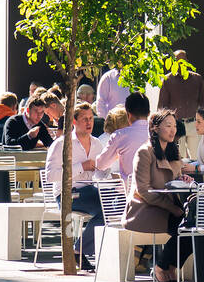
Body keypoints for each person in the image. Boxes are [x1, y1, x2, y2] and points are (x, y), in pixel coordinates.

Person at [124, 108, 192, 282]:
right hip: (145, 208)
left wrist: (183, 179)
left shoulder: (172, 150)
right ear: (155, 128)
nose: (172, 130)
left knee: (195, 225)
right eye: (168, 125)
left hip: (167, 207)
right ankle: (162, 266)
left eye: (174, 126)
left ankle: (167, 267)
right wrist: (173, 208)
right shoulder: (144, 152)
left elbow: (173, 180)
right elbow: (144, 191)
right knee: (186, 227)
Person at [42, 104, 107, 271]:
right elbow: (51, 176)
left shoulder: (97, 143)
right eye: (84, 119)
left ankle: (84, 249)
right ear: (74, 121)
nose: (89, 122)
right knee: (106, 209)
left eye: (91, 118)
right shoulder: (62, 144)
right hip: (67, 193)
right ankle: (79, 249)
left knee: (114, 205)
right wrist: (81, 167)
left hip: (90, 190)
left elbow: (101, 174)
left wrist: (104, 173)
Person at [157, 50, 204, 155]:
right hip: (176, 125)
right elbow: (162, 106)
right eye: (177, 61)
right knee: (178, 156)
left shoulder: (197, 79)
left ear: (187, 61)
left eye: (183, 61)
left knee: (197, 156)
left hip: (194, 123)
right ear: (173, 63)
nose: (180, 64)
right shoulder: (168, 80)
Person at [95, 91, 150, 182]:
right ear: (149, 113)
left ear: (128, 114)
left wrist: (116, 154)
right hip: (158, 192)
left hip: (130, 191)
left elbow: (101, 165)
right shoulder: (159, 134)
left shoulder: (119, 136)